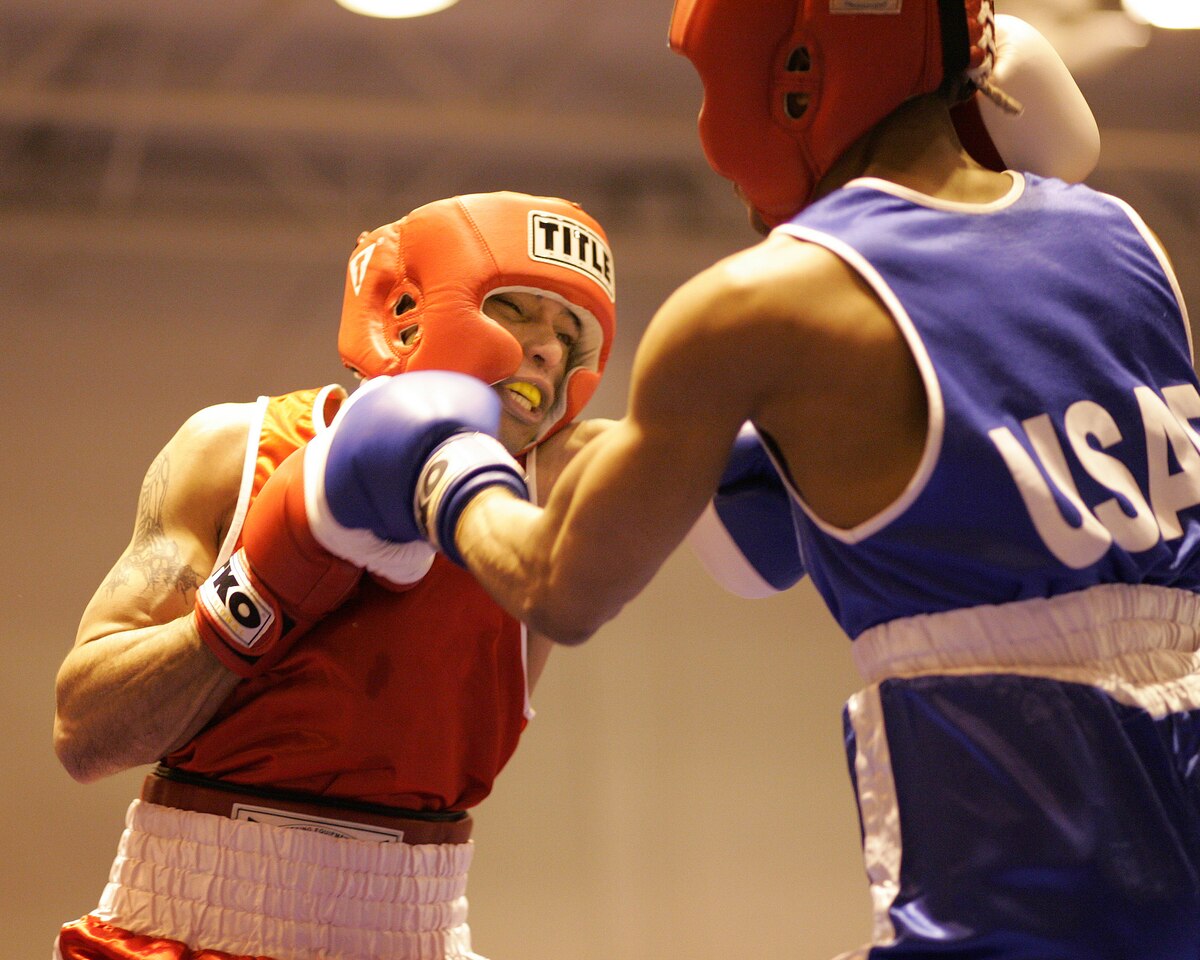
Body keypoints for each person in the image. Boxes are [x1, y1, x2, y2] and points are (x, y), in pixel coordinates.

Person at [291, 2, 1200, 957]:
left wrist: (449, 469)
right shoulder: (1126, 240)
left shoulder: (761, 305)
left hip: (1020, 876)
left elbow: (561, 587)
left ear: (791, 71)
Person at [51, 190, 617, 960]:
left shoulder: (558, 498)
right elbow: (84, 734)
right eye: (517, 309)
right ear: (407, 311)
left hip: (418, 929)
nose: (548, 350)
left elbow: (696, 442)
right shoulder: (237, 451)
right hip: (187, 918)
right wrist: (258, 591)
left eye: (571, 335)